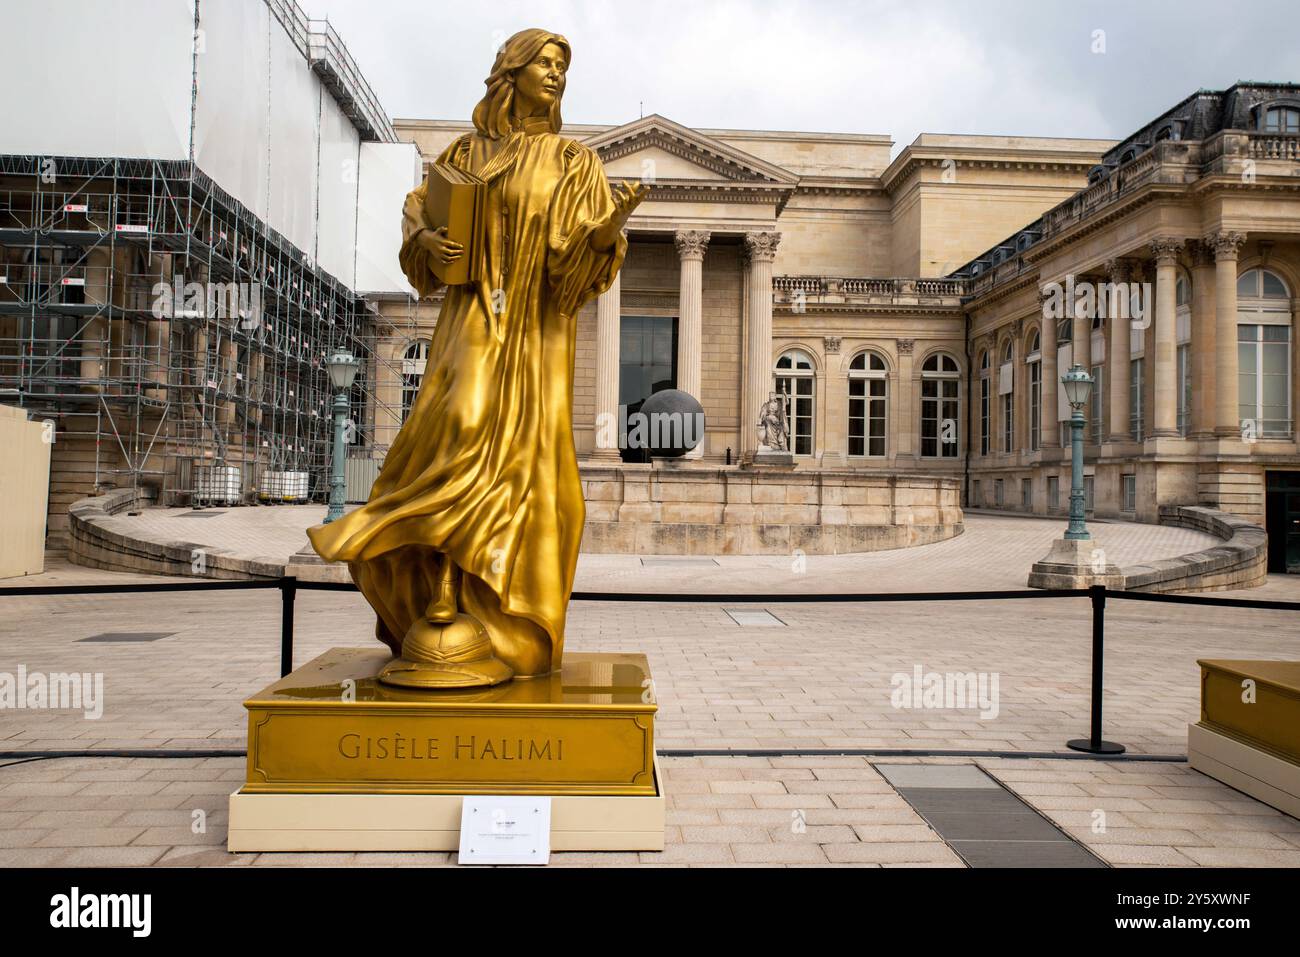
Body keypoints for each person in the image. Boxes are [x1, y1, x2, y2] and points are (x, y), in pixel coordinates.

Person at [307, 28, 646, 686]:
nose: (554, 74)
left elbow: (573, 261)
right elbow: (420, 219)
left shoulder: (573, 162)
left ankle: (487, 615)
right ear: (510, 74)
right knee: (459, 425)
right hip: (473, 326)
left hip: (536, 339)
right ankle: (419, 572)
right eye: (542, 63)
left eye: (561, 66)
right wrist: (430, 243)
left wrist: (608, 233)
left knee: (548, 492)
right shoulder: (464, 152)